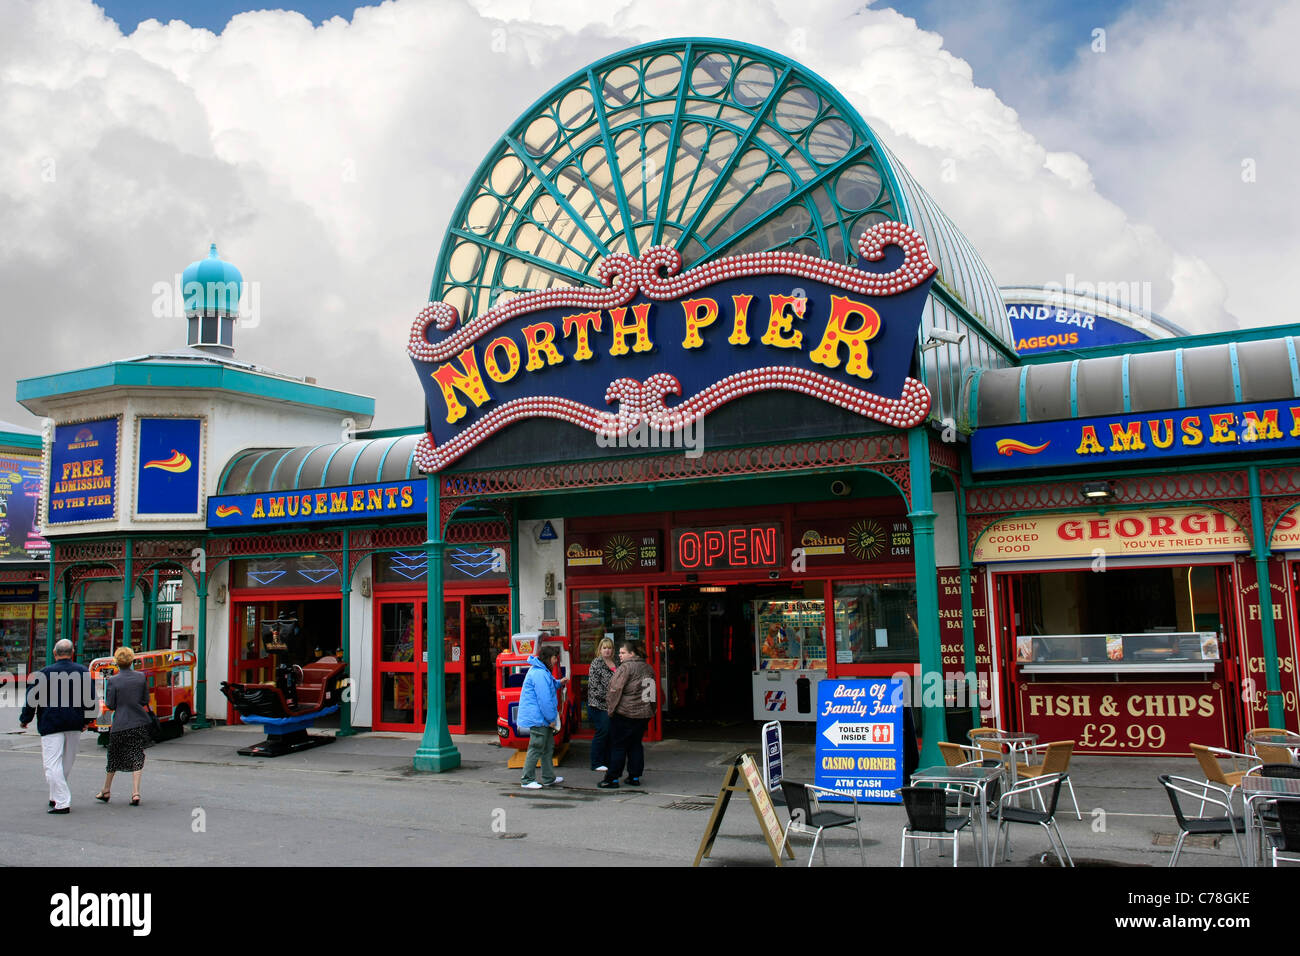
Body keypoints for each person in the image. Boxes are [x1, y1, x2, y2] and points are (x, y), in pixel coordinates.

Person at [19, 638, 95, 814]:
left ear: (54, 653)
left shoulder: (44, 674)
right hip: (75, 722)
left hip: (51, 722)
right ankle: (55, 796)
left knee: (52, 764)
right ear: (72, 653)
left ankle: (61, 801)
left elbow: (32, 700)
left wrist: (25, 719)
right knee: (66, 762)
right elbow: (90, 699)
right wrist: (87, 721)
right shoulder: (82, 672)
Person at [95, 645, 151, 806]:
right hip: (138, 722)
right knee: (137, 755)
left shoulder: (113, 680)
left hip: (120, 723)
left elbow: (110, 704)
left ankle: (106, 790)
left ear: (117, 662)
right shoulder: (141, 677)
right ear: (132, 660)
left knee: (113, 757)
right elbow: (145, 700)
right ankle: (135, 792)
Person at [598, 640, 655, 789]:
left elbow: (614, 690)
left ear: (632, 654)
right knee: (635, 745)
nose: (620, 655)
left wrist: (611, 709)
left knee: (618, 746)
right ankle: (634, 776)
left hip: (624, 713)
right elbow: (652, 694)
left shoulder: (626, 668)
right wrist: (651, 710)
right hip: (643, 714)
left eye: (623, 652)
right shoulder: (648, 668)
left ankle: (613, 778)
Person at [517, 645, 563, 790]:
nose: (556, 661)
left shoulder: (541, 671)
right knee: (536, 747)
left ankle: (548, 778)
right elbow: (544, 699)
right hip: (539, 718)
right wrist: (551, 719)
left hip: (540, 717)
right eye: (555, 658)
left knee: (547, 747)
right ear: (549, 658)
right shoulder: (539, 673)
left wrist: (559, 683)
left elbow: (549, 686)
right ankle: (527, 779)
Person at [587, 637, 617, 772]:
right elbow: (594, 687)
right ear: (600, 649)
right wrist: (610, 696)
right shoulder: (596, 663)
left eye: (609, 648)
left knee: (611, 733)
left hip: (614, 705)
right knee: (602, 732)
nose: (607, 650)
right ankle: (596, 762)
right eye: (604, 648)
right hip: (599, 705)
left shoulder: (616, 663)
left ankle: (608, 760)